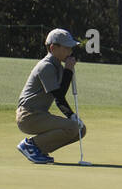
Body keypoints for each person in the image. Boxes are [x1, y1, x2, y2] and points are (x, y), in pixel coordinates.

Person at [15, 29, 87, 164]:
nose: (70, 51)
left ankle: (39, 149)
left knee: (80, 130)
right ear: (53, 48)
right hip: (28, 116)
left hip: (39, 114)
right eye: (66, 48)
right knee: (73, 127)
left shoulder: (57, 66)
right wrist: (68, 71)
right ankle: (30, 145)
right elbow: (59, 96)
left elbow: (59, 95)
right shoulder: (46, 66)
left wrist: (67, 70)